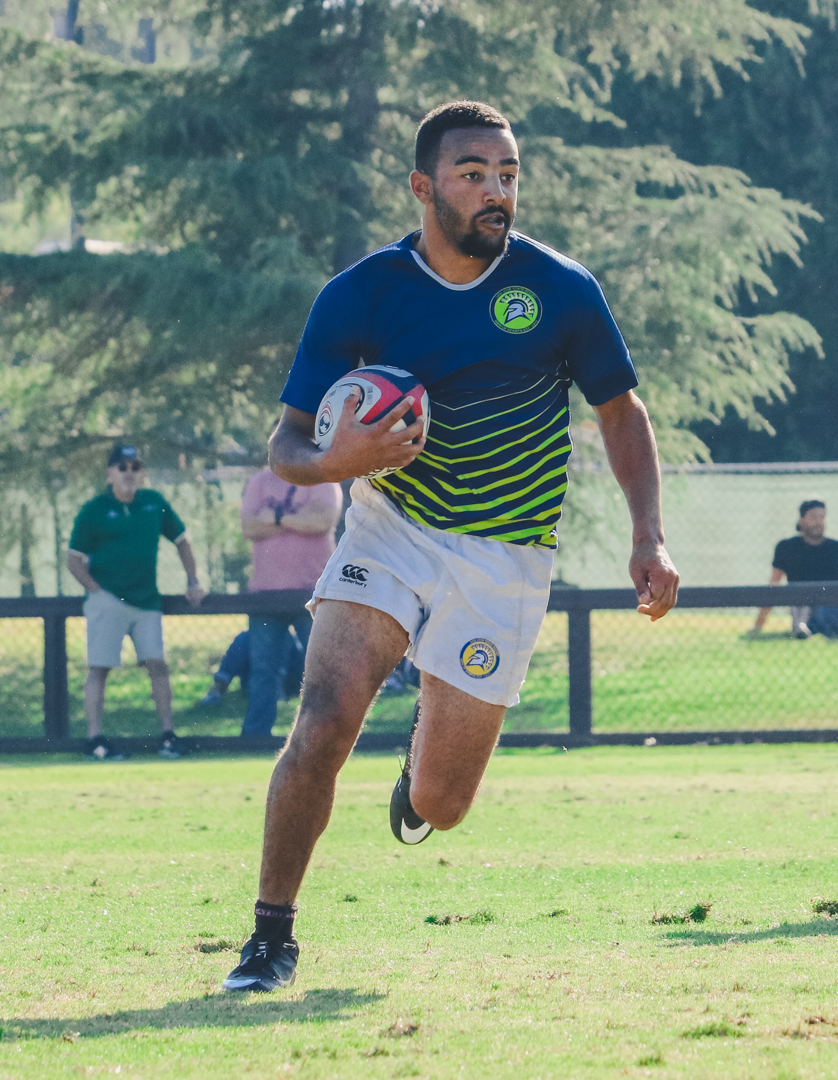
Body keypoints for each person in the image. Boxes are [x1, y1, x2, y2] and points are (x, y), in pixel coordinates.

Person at [222, 100, 679, 993]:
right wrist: (336, 461)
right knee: (321, 722)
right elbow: (286, 447)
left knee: (442, 803)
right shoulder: (359, 295)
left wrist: (648, 535)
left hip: (506, 554)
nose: (495, 191)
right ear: (423, 187)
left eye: (507, 174)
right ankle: (269, 938)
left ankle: (419, 768)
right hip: (387, 530)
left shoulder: (560, 288)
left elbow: (620, 412)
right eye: (473, 173)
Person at [66, 445, 207, 761]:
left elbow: (182, 540)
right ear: (109, 473)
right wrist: (97, 592)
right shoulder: (94, 510)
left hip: (147, 601)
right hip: (108, 599)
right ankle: (94, 739)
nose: (129, 472)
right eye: (122, 467)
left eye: (135, 466)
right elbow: (74, 560)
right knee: (99, 668)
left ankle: (168, 736)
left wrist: (193, 580)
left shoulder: (153, 503)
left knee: (157, 664)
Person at [233, 467, 343, 739]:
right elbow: (249, 527)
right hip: (266, 593)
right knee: (262, 671)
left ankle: (326, 735)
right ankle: (255, 738)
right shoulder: (259, 481)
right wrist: (298, 519)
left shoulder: (322, 477)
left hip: (313, 591)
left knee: (322, 669)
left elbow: (323, 521)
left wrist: (277, 517)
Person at [748, 499, 838, 639]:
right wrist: (758, 626)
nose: (819, 522)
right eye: (813, 517)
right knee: (801, 596)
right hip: (800, 607)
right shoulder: (786, 548)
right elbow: (773, 586)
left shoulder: (837, 548)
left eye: (822, 517)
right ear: (802, 520)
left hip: (830, 607)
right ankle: (801, 629)